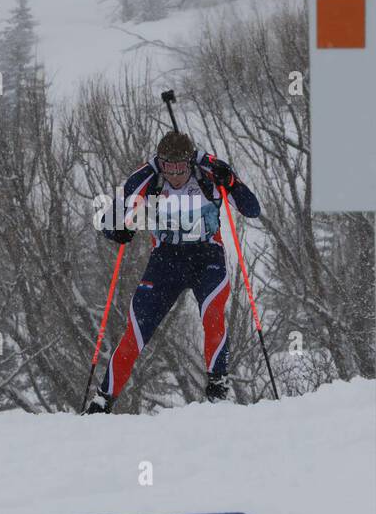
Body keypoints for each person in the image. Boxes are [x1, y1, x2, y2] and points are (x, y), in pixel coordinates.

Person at [86, 131, 260, 413]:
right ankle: (102, 401)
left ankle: (218, 387)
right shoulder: (145, 177)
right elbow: (109, 221)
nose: (175, 175)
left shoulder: (209, 171)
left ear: (190, 162)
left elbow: (252, 210)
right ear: (161, 163)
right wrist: (119, 229)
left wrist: (232, 182)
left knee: (213, 313)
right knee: (137, 328)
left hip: (207, 255)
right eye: (169, 168)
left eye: (180, 168)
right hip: (166, 260)